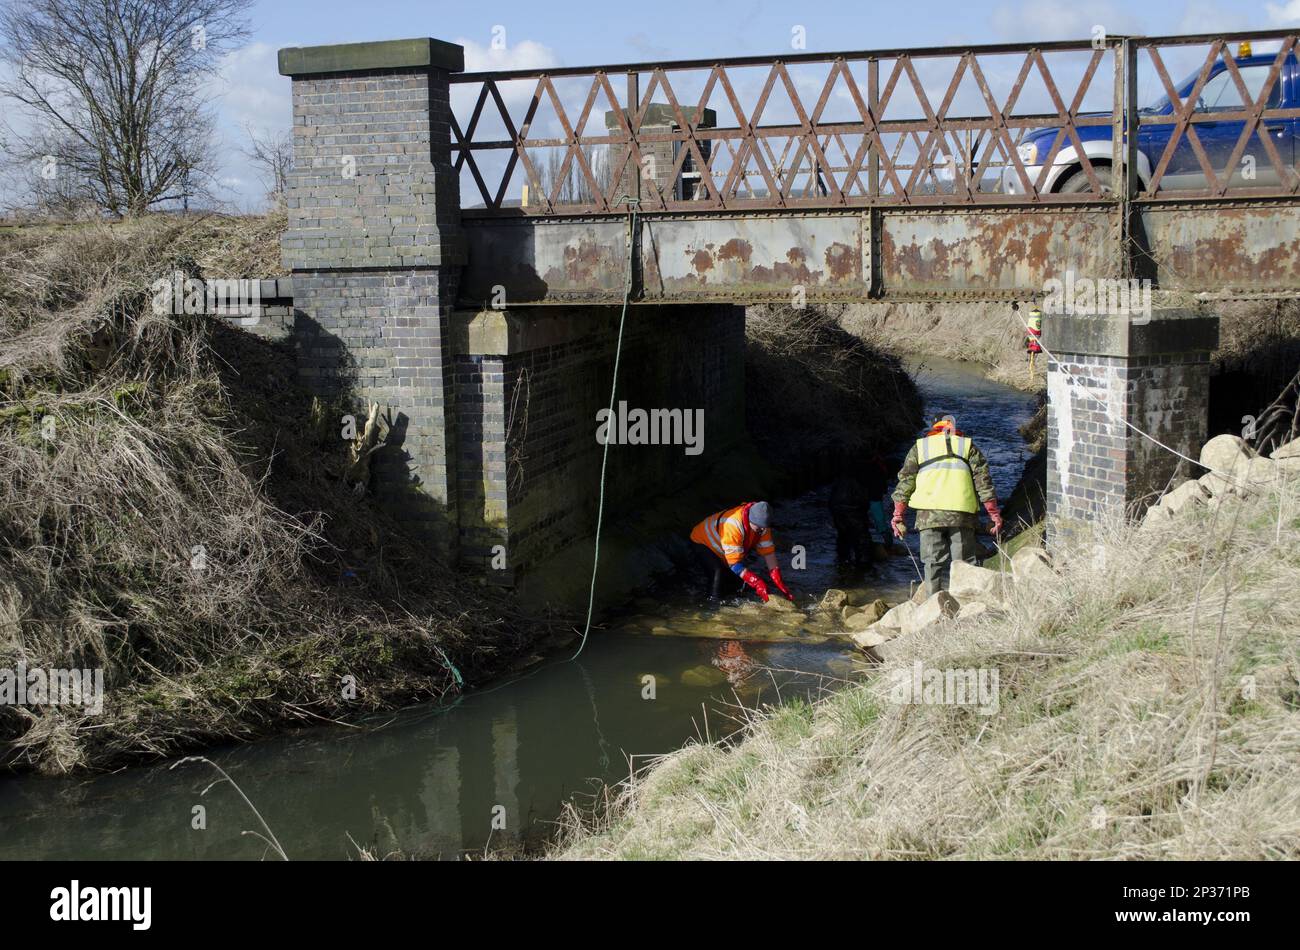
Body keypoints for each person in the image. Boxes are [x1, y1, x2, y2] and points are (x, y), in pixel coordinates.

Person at [891, 416, 1003, 595]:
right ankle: (966, 605)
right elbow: (984, 482)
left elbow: (905, 483)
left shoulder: (920, 447)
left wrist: (898, 515)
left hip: (929, 514)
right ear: (954, 428)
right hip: (962, 513)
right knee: (964, 563)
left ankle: (932, 606)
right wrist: (993, 514)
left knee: (932, 563)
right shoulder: (967, 446)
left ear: (933, 428)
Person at [689, 501, 795, 603]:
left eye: (764, 528)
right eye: (759, 528)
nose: (762, 531)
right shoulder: (733, 525)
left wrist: (780, 583)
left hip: (724, 550)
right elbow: (734, 564)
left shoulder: (762, 525)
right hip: (702, 542)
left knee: (738, 585)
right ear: (749, 521)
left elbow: (769, 554)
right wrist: (757, 582)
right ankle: (712, 605)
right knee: (717, 573)